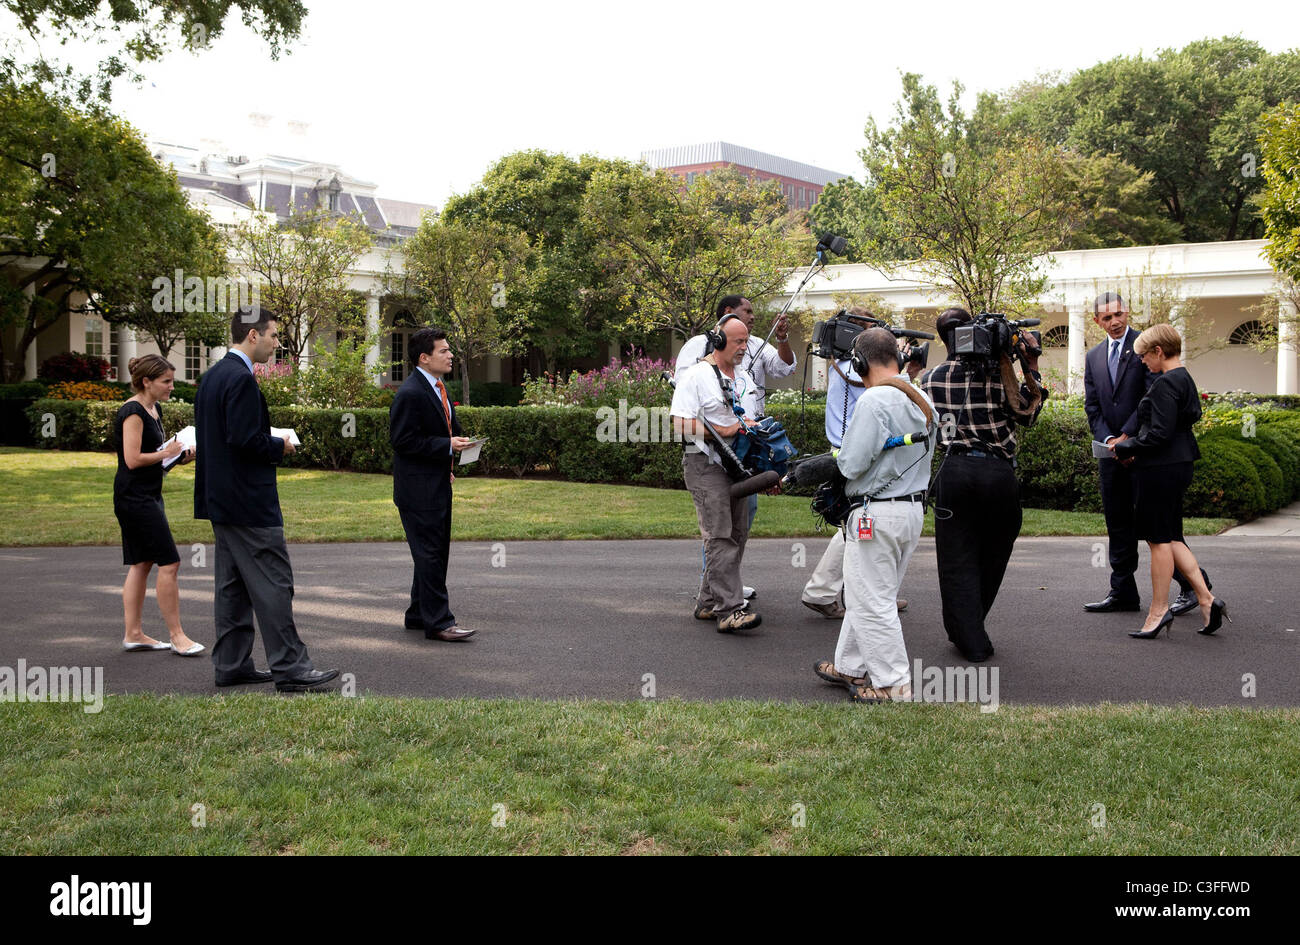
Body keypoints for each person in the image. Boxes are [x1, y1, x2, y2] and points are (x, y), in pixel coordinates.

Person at [194, 308, 340, 692]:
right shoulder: (240, 379)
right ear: (253, 335)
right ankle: (291, 667)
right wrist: (282, 445)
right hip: (248, 502)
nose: (278, 344)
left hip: (220, 500)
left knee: (232, 586)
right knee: (275, 582)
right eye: (274, 336)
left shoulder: (211, 377)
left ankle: (231, 664)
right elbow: (246, 441)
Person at [814, 329, 935, 703]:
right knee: (871, 593)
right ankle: (850, 666)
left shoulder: (873, 402)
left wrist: (825, 466)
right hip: (910, 511)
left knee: (870, 601)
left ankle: (892, 684)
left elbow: (851, 463)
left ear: (860, 362)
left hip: (876, 513)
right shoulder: (920, 396)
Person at [920, 307, 1046, 663]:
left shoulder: (931, 378)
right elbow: (1029, 413)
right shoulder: (999, 375)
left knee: (955, 557)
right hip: (997, 474)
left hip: (953, 471)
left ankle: (967, 631)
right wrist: (1028, 363)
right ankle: (971, 632)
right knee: (993, 555)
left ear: (947, 340)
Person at [1083, 291, 1205, 614]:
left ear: (1128, 312)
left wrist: (1128, 434)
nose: (1114, 322)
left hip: (1146, 454)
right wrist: (1109, 439)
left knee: (1159, 528)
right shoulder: (1092, 356)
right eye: (1106, 317)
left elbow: (1155, 395)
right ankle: (1122, 591)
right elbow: (1092, 407)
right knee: (1118, 523)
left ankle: (1194, 587)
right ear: (1096, 321)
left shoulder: (1147, 346)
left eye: (1118, 314)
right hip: (1111, 455)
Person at [801, 311, 922, 618]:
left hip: (859, 449)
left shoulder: (842, 367)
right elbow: (889, 384)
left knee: (852, 529)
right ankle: (829, 591)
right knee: (855, 529)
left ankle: (849, 592)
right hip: (857, 453)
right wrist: (902, 362)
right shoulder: (852, 369)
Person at [1111, 324, 1226, 638]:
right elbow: (1180, 424)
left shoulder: (1164, 383)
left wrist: (1125, 446)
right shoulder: (1185, 378)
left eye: (1145, 356)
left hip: (1160, 469)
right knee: (1173, 537)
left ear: (1158, 351)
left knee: (1158, 540)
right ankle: (1206, 598)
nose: (1143, 362)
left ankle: (1158, 611)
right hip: (1181, 463)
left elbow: (1159, 433)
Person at [670, 316, 763, 633]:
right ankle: (730, 609)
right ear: (719, 341)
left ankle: (708, 602)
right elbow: (679, 423)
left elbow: (750, 421)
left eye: (746, 342)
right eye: (738, 341)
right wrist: (722, 430)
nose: (743, 348)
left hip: (739, 464)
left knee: (737, 534)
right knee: (720, 535)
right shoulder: (696, 376)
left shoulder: (745, 379)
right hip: (705, 463)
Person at [114, 354, 204, 657]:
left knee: (142, 562)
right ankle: (177, 637)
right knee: (170, 562)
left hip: (147, 493)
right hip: (134, 498)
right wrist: (168, 450)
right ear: (146, 382)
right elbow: (132, 459)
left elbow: (155, 461)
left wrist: (178, 457)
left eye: (171, 380)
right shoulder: (133, 412)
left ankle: (134, 634)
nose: (171, 386)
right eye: (166, 381)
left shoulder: (154, 409)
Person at [389, 327, 475, 642]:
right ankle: (439, 622)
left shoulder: (438, 387)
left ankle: (417, 614)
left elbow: (444, 427)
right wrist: (445, 446)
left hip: (436, 483)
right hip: (418, 490)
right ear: (424, 358)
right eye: (443, 350)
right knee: (430, 554)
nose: (450, 355)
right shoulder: (410, 392)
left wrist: (457, 447)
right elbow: (402, 441)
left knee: (432, 551)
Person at [674, 295, 796, 416]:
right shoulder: (698, 344)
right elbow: (683, 390)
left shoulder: (758, 345)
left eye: (745, 342)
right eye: (747, 311)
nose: (752, 317)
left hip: (751, 430)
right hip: (712, 431)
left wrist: (782, 338)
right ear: (728, 311)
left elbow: (783, 368)